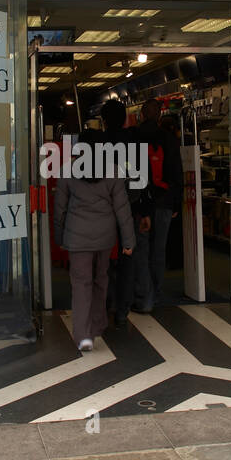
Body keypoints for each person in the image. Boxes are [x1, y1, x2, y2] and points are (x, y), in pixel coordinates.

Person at [53, 128, 135, 352]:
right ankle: (98, 325)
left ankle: (83, 336)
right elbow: (122, 211)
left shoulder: (67, 171)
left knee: (81, 284)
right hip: (104, 237)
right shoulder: (112, 172)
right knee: (101, 279)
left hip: (77, 238)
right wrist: (128, 241)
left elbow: (59, 210)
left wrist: (59, 237)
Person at [131, 98, 183, 312]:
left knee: (141, 249)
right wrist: (176, 202)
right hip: (163, 202)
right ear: (160, 115)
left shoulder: (133, 137)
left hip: (139, 201)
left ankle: (144, 295)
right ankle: (157, 293)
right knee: (158, 250)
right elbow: (177, 173)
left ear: (141, 115)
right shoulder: (169, 140)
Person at [101, 99, 139, 327]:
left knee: (104, 259)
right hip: (128, 209)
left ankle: (108, 301)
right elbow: (139, 180)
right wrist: (141, 211)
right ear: (125, 118)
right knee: (127, 258)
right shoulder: (133, 142)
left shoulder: (98, 144)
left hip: (103, 212)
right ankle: (123, 309)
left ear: (104, 121)